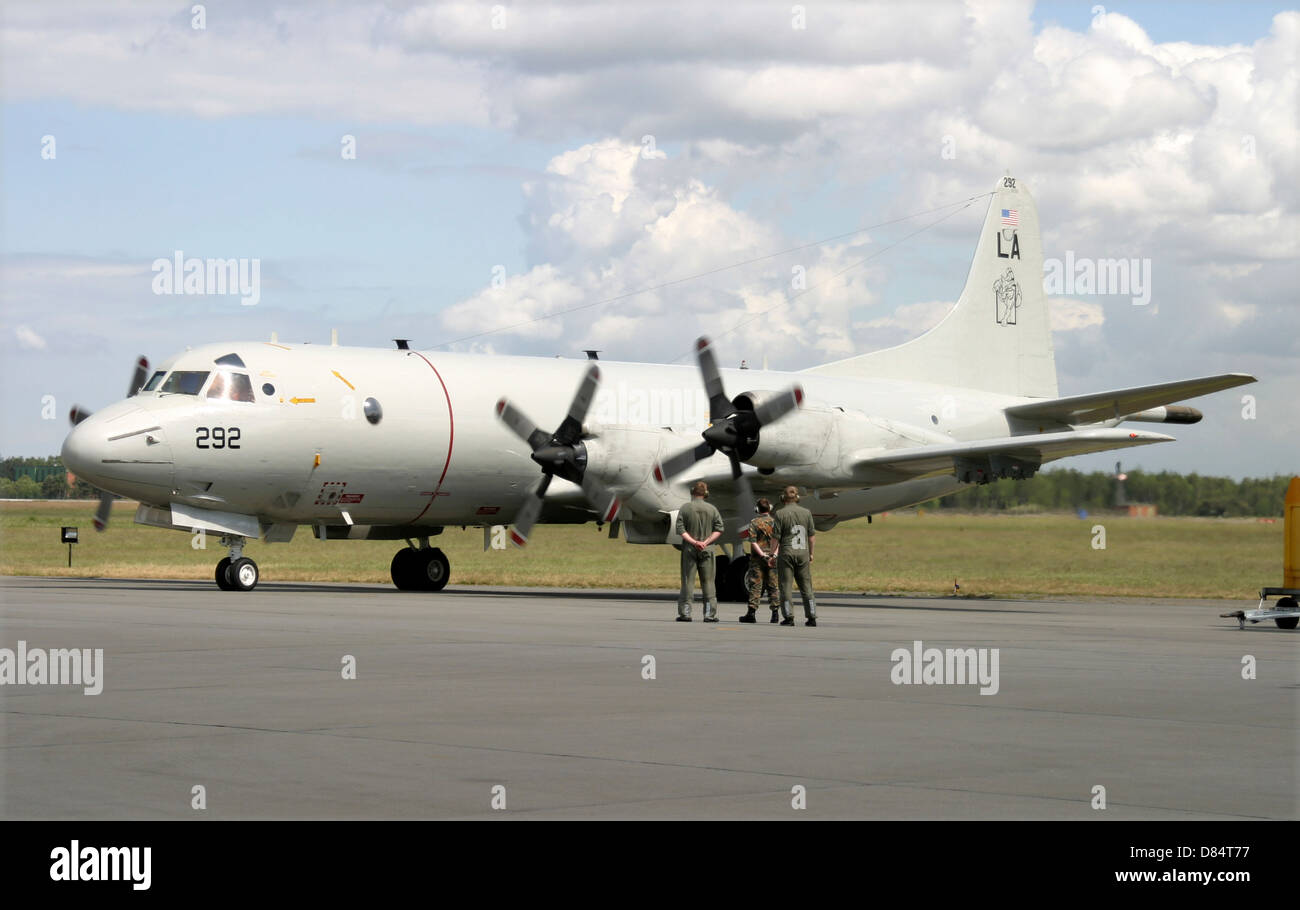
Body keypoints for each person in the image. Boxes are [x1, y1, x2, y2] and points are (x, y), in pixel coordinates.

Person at [674, 480, 724, 622]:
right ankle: (709, 614)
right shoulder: (712, 509)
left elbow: (680, 530)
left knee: (688, 581)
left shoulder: (685, 508)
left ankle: (686, 613)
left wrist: (694, 542)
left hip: (690, 548)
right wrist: (705, 542)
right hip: (707, 549)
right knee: (708, 582)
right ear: (706, 493)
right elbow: (719, 529)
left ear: (692, 492)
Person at [772, 485, 817, 626]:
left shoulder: (780, 514)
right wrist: (810, 553)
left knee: (785, 587)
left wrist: (772, 554)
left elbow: (775, 538)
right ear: (797, 497)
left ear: (783, 497)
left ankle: (789, 617)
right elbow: (811, 536)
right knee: (806, 587)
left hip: (786, 553)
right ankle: (812, 616)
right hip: (802, 552)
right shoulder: (807, 513)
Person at [739, 498, 780, 623]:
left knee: (756, 585)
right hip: (773, 558)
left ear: (757, 509)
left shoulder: (754, 522)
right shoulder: (775, 522)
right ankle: (775, 614)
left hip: (758, 558)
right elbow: (779, 540)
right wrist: (773, 555)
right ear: (770, 508)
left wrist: (762, 555)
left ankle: (751, 613)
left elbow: (752, 541)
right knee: (773, 585)